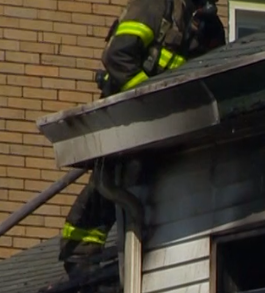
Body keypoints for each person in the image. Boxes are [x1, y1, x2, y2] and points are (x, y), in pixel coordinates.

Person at [59, 0, 226, 277]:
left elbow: (213, 75)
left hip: (167, 128)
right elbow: (118, 57)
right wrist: (147, 102)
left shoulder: (203, 25)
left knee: (150, 186)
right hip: (128, 117)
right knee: (114, 183)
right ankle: (81, 256)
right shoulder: (155, 7)